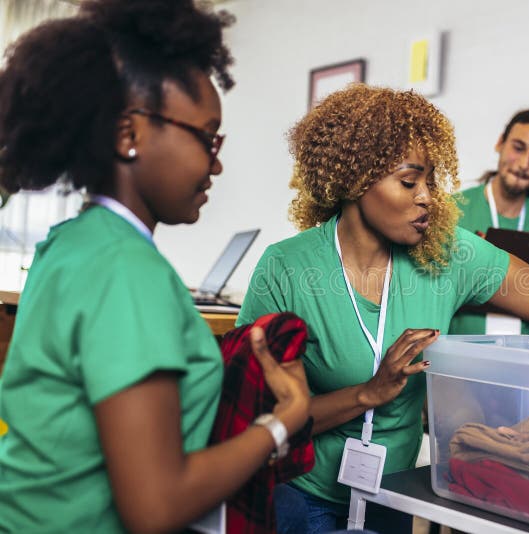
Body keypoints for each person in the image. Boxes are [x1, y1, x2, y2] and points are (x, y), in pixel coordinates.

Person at [0, 2, 310, 533]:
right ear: (128, 133)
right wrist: (282, 424)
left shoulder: (73, 240)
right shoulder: (128, 270)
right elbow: (155, 505)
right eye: (206, 138)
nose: (215, 163)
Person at [237, 83, 529, 533]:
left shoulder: (449, 253)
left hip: (394, 494)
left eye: (429, 181)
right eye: (409, 182)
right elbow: (263, 418)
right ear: (354, 178)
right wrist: (369, 392)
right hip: (304, 498)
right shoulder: (286, 267)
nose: (427, 197)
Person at [449, 109, 529, 336]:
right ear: (500, 144)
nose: (525, 163)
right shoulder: (452, 210)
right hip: (457, 358)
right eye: (518, 148)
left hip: (524, 361)